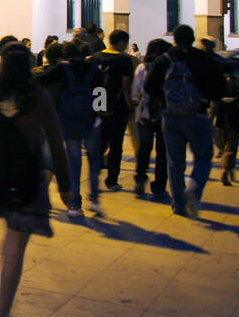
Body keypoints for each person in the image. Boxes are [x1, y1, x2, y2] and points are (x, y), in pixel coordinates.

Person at [0, 45, 71, 317]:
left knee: (10, 239)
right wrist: (66, 186)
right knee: (15, 245)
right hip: (26, 180)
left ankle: (3, 305)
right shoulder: (36, 98)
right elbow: (56, 143)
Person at [144, 24, 226, 218]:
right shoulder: (202, 59)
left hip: (170, 116)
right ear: (192, 38)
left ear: (174, 39)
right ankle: (195, 190)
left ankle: (178, 204)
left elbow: (149, 86)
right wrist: (206, 98)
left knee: (175, 162)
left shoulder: (163, 60)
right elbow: (219, 87)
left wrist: (164, 100)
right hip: (196, 114)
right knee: (204, 157)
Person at [39, 41, 103, 217]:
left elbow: (41, 80)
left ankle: (74, 205)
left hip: (68, 122)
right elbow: (100, 93)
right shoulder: (94, 69)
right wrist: (99, 115)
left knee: (74, 163)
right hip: (91, 121)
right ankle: (94, 199)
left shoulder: (62, 69)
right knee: (94, 160)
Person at [88, 29, 134, 190]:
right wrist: (130, 106)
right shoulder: (124, 60)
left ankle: (93, 180)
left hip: (96, 106)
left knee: (98, 145)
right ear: (122, 42)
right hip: (117, 108)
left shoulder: (94, 58)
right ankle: (112, 180)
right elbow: (126, 86)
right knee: (115, 146)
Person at [132, 39, 172, 199]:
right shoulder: (168, 67)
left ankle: (140, 178)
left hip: (144, 113)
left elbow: (135, 92)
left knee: (144, 149)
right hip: (164, 113)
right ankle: (159, 185)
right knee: (162, 152)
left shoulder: (142, 67)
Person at [213, 66, 239, 186]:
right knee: (230, 149)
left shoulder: (219, 96)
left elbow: (214, 109)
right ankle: (226, 171)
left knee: (223, 147)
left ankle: (228, 170)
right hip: (234, 124)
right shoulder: (238, 98)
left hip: (221, 123)